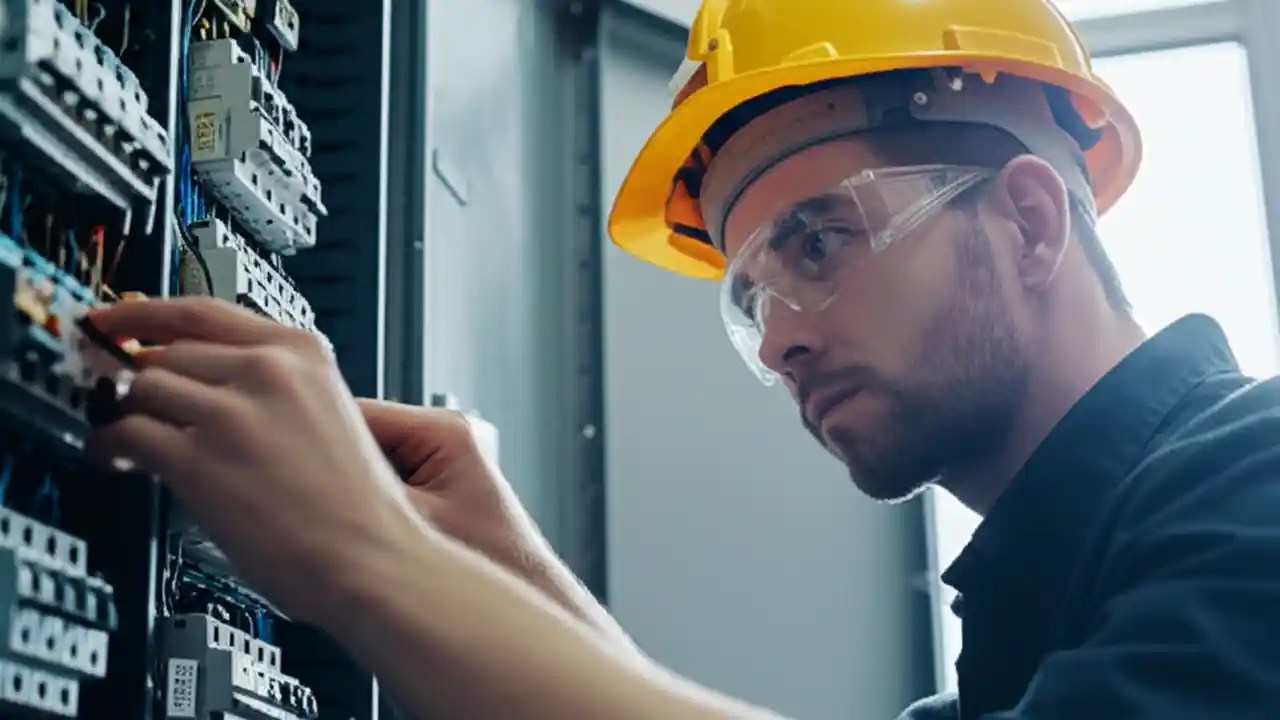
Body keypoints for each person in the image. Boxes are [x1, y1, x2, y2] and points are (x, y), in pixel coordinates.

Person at [83, 0, 1280, 717]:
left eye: (819, 241)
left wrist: (365, 558)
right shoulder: (1049, 609)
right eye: (748, 291)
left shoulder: (1257, 481)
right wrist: (498, 572)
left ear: (1026, 218)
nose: (777, 334)